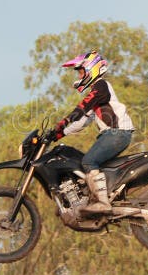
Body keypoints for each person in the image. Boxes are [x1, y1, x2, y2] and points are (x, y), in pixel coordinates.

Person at [53, 49, 134, 213]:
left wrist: (66, 119)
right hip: (114, 134)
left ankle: (103, 203)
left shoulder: (101, 86)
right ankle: (102, 196)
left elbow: (84, 106)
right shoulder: (98, 95)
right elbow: (82, 121)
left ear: (92, 69)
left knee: (88, 161)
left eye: (81, 71)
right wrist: (58, 134)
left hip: (117, 133)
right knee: (87, 162)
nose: (79, 76)